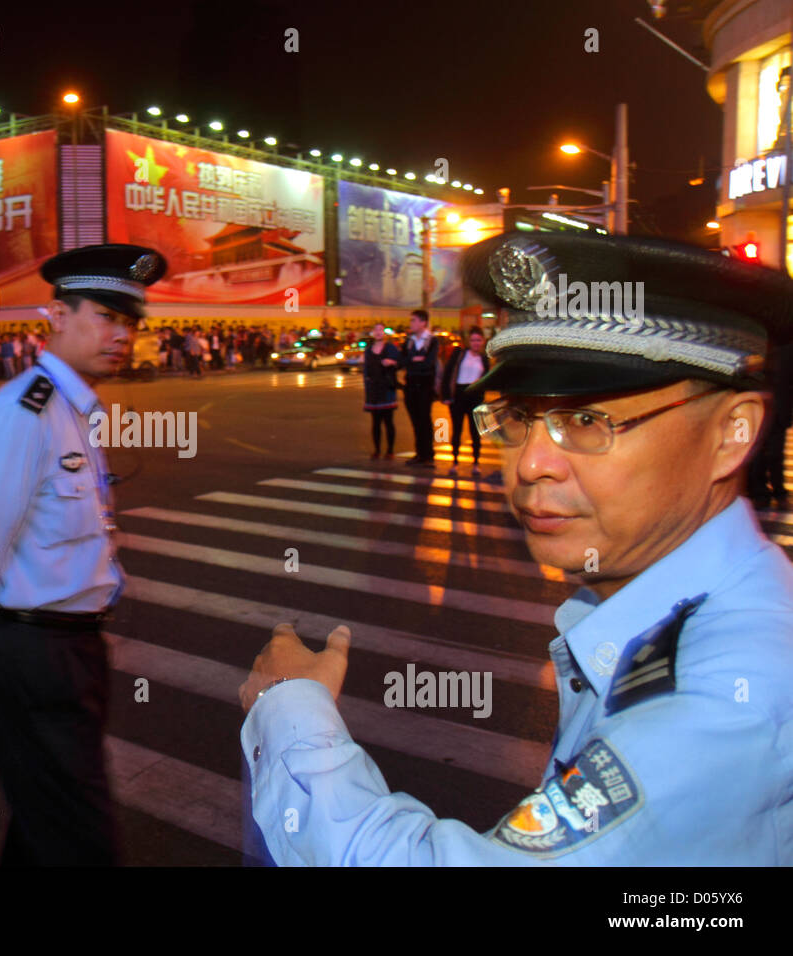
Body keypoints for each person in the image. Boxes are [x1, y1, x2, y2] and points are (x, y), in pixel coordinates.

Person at [239, 232, 793, 865]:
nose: (530, 463)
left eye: (588, 420)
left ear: (733, 432)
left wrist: (290, 709)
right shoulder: (676, 604)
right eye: (521, 416)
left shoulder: (721, 700)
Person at [0, 243, 166, 866]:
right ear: (56, 315)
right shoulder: (23, 412)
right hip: (31, 655)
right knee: (81, 839)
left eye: (131, 322)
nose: (122, 335)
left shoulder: (73, 408)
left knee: (46, 825)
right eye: (106, 316)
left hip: (71, 650)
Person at [439, 326, 491, 475]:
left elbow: (487, 377)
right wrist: (446, 396)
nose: (476, 343)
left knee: (475, 432)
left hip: (475, 396)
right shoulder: (459, 354)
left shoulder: (484, 358)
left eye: (478, 340)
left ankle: (476, 463)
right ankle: (454, 462)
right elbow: (448, 373)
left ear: (483, 341)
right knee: (457, 430)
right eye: (473, 340)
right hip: (458, 396)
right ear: (469, 341)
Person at [746, 340, 792, 510]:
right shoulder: (757, 343)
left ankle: (776, 491)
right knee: (758, 452)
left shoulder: (786, 348)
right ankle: (760, 492)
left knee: (774, 452)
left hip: (777, 409)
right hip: (760, 406)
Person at [401, 309, 438, 467]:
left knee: (425, 420)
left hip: (425, 386)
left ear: (423, 322)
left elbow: (429, 363)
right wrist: (415, 359)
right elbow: (402, 361)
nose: (411, 324)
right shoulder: (409, 341)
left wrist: (413, 361)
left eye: (414, 320)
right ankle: (419, 454)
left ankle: (428, 455)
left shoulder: (431, 340)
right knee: (415, 421)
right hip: (410, 386)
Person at [362, 322, 400, 460]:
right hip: (373, 390)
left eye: (381, 330)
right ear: (373, 333)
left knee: (388, 421)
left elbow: (400, 362)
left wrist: (392, 362)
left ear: (385, 333)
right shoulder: (368, 350)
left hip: (387, 389)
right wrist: (367, 387)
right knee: (375, 422)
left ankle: (390, 450)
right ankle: (377, 450)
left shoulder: (391, 348)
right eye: (376, 330)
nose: (378, 332)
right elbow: (366, 370)